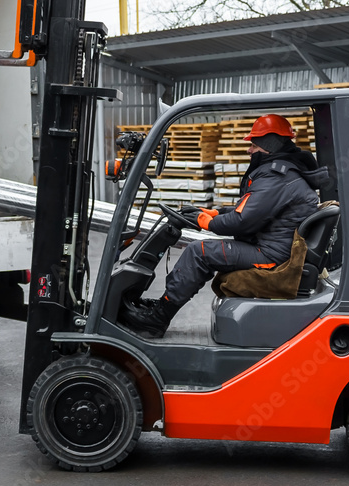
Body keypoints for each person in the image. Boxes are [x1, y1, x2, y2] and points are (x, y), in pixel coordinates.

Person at [121, 113, 331, 338]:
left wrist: (207, 222)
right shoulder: (284, 172)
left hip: (272, 257)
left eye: (254, 144)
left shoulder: (276, 176)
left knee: (198, 252)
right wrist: (214, 213)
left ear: (268, 144)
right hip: (272, 248)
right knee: (203, 251)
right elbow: (252, 210)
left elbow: (242, 222)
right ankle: (163, 305)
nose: (250, 150)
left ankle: (159, 317)